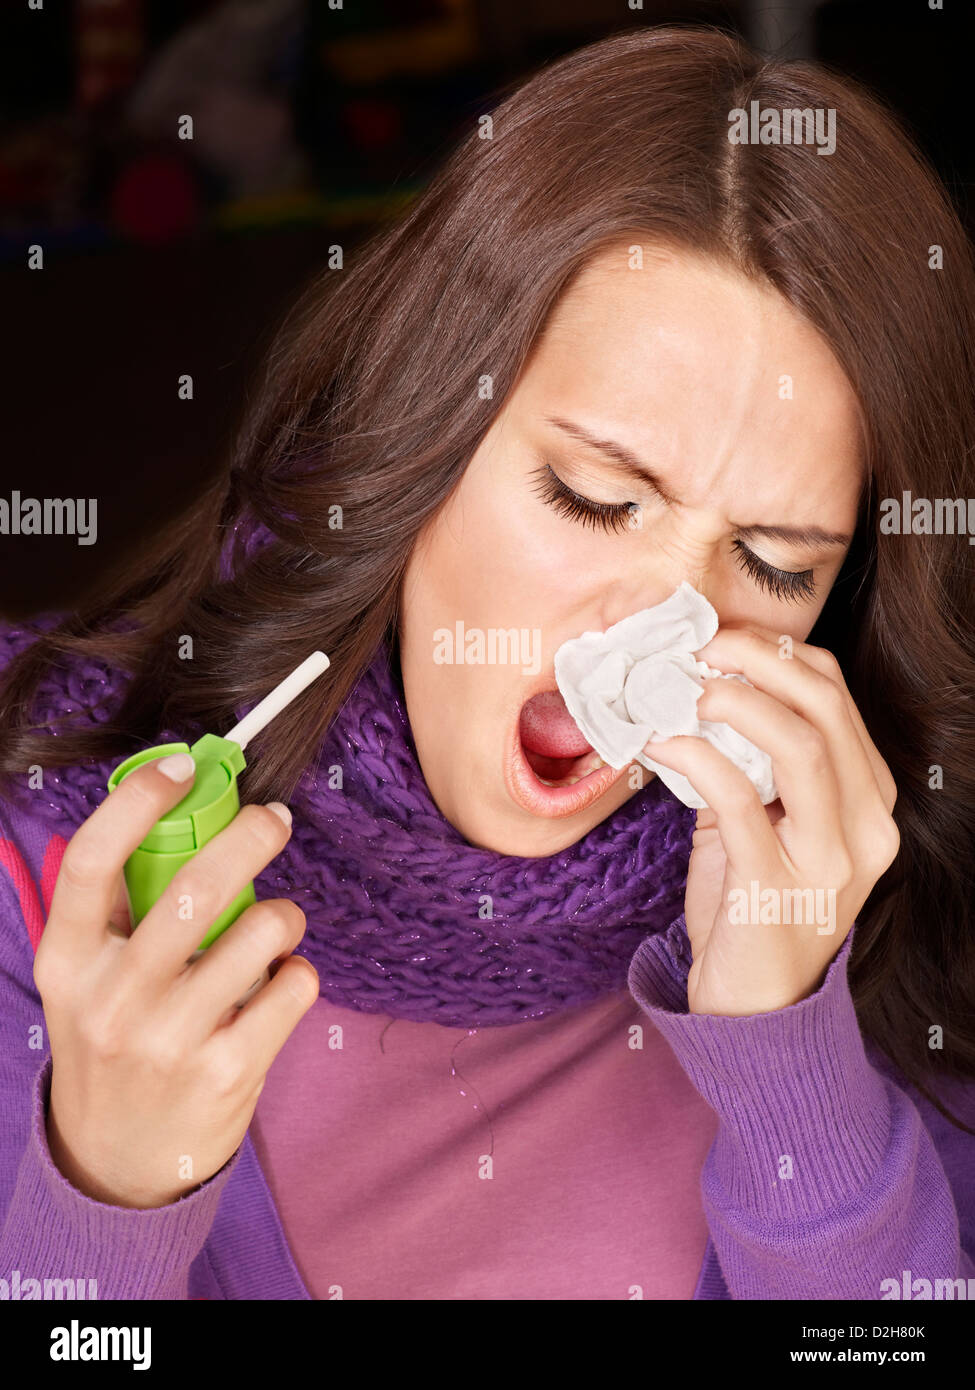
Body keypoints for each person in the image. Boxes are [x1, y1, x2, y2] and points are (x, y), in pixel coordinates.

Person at [0, 25, 973, 1300]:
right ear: (418, 443)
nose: (662, 625)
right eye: (589, 496)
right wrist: (108, 1197)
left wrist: (791, 1060)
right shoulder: (53, 859)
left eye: (776, 567)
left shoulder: (889, 922)